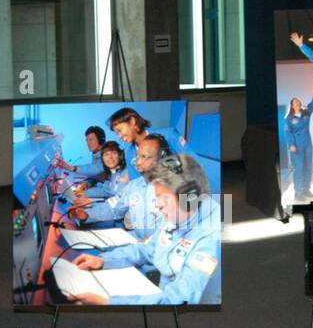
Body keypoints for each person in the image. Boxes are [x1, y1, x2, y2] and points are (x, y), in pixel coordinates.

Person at [67, 153, 220, 306]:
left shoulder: (211, 239)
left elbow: (179, 299)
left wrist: (109, 303)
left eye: (163, 197)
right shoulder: (177, 216)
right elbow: (147, 250)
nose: (158, 205)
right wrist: (103, 260)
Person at [80, 133, 168, 238]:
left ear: (162, 157)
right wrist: (87, 214)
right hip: (137, 242)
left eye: (144, 157)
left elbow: (186, 233)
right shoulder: (134, 185)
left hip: (160, 249)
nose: (138, 162)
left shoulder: (181, 188)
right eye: (137, 156)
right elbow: (114, 207)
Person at [284, 93, 313, 200]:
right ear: (292, 105)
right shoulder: (289, 119)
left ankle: (306, 189)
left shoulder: (306, 114)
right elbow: (287, 132)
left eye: (298, 101)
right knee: (298, 169)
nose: (297, 103)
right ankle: (298, 192)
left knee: (308, 168)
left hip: (308, 145)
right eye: (295, 102)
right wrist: (291, 144)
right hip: (296, 146)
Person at [108, 107, 152, 179]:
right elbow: (135, 181)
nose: (120, 136)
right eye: (117, 133)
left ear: (132, 121)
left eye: (120, 130)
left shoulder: (169, 136)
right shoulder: (129, 154)